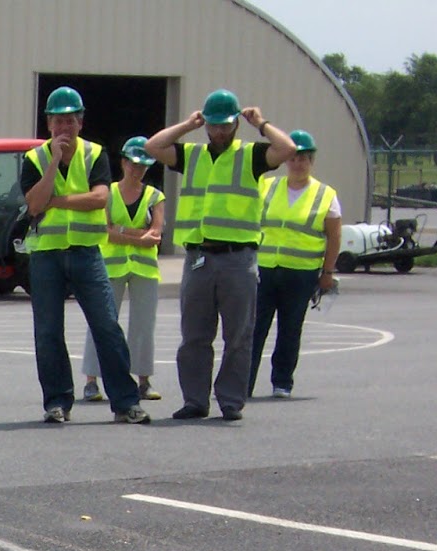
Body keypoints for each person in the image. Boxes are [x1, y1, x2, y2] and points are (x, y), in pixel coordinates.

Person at [144, 89, 296, 421]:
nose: (219, 132)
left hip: (237, 259)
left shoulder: (251, 155)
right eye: (213, 126)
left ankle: (230, 400)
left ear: (235, 125)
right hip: (199, 257)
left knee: (238, 334)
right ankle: (195, 400)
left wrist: (261, 123)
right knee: (195, 335)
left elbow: (287, 148)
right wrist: (186, 125)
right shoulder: (193, 155)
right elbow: (153, 147)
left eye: (225, 126)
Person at [21, 86, 148, 425]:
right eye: (58, 121)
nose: (65, 127)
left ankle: (125, 401)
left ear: (80, 122)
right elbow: (34, 204)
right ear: (48, 124)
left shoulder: (95, 154)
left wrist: (56, 201)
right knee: (48, 331)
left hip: (86, 253)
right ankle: (57, 401)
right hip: (47, 255)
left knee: (106, 324)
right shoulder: (35, 159)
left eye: (71, 121)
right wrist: (52, 168)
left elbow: (99, 198)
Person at [250, 129, 340, 399]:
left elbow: (334, 236)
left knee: (290, 329)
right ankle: (244, 383)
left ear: (311, 161)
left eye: (304, 159)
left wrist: (328, 272)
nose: (298, 164)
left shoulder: (325, 194)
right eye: (293, 158)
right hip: (264, 269)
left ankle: (282, 382)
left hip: (300, 273)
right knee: (254, 329)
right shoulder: (268, 186)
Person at [81, 136, 165, 405]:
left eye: (142, 165)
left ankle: (143, 380)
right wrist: (136, 236)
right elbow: (103, 231)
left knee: (143, 325)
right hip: (112, 266)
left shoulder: (155, 196)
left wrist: (121, 231)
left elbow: (156, 233)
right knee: (103, 321)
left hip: (144, 270)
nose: (137, 170)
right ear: (123, 162)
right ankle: (92, 381)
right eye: (133, 163)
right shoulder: (110, 193)